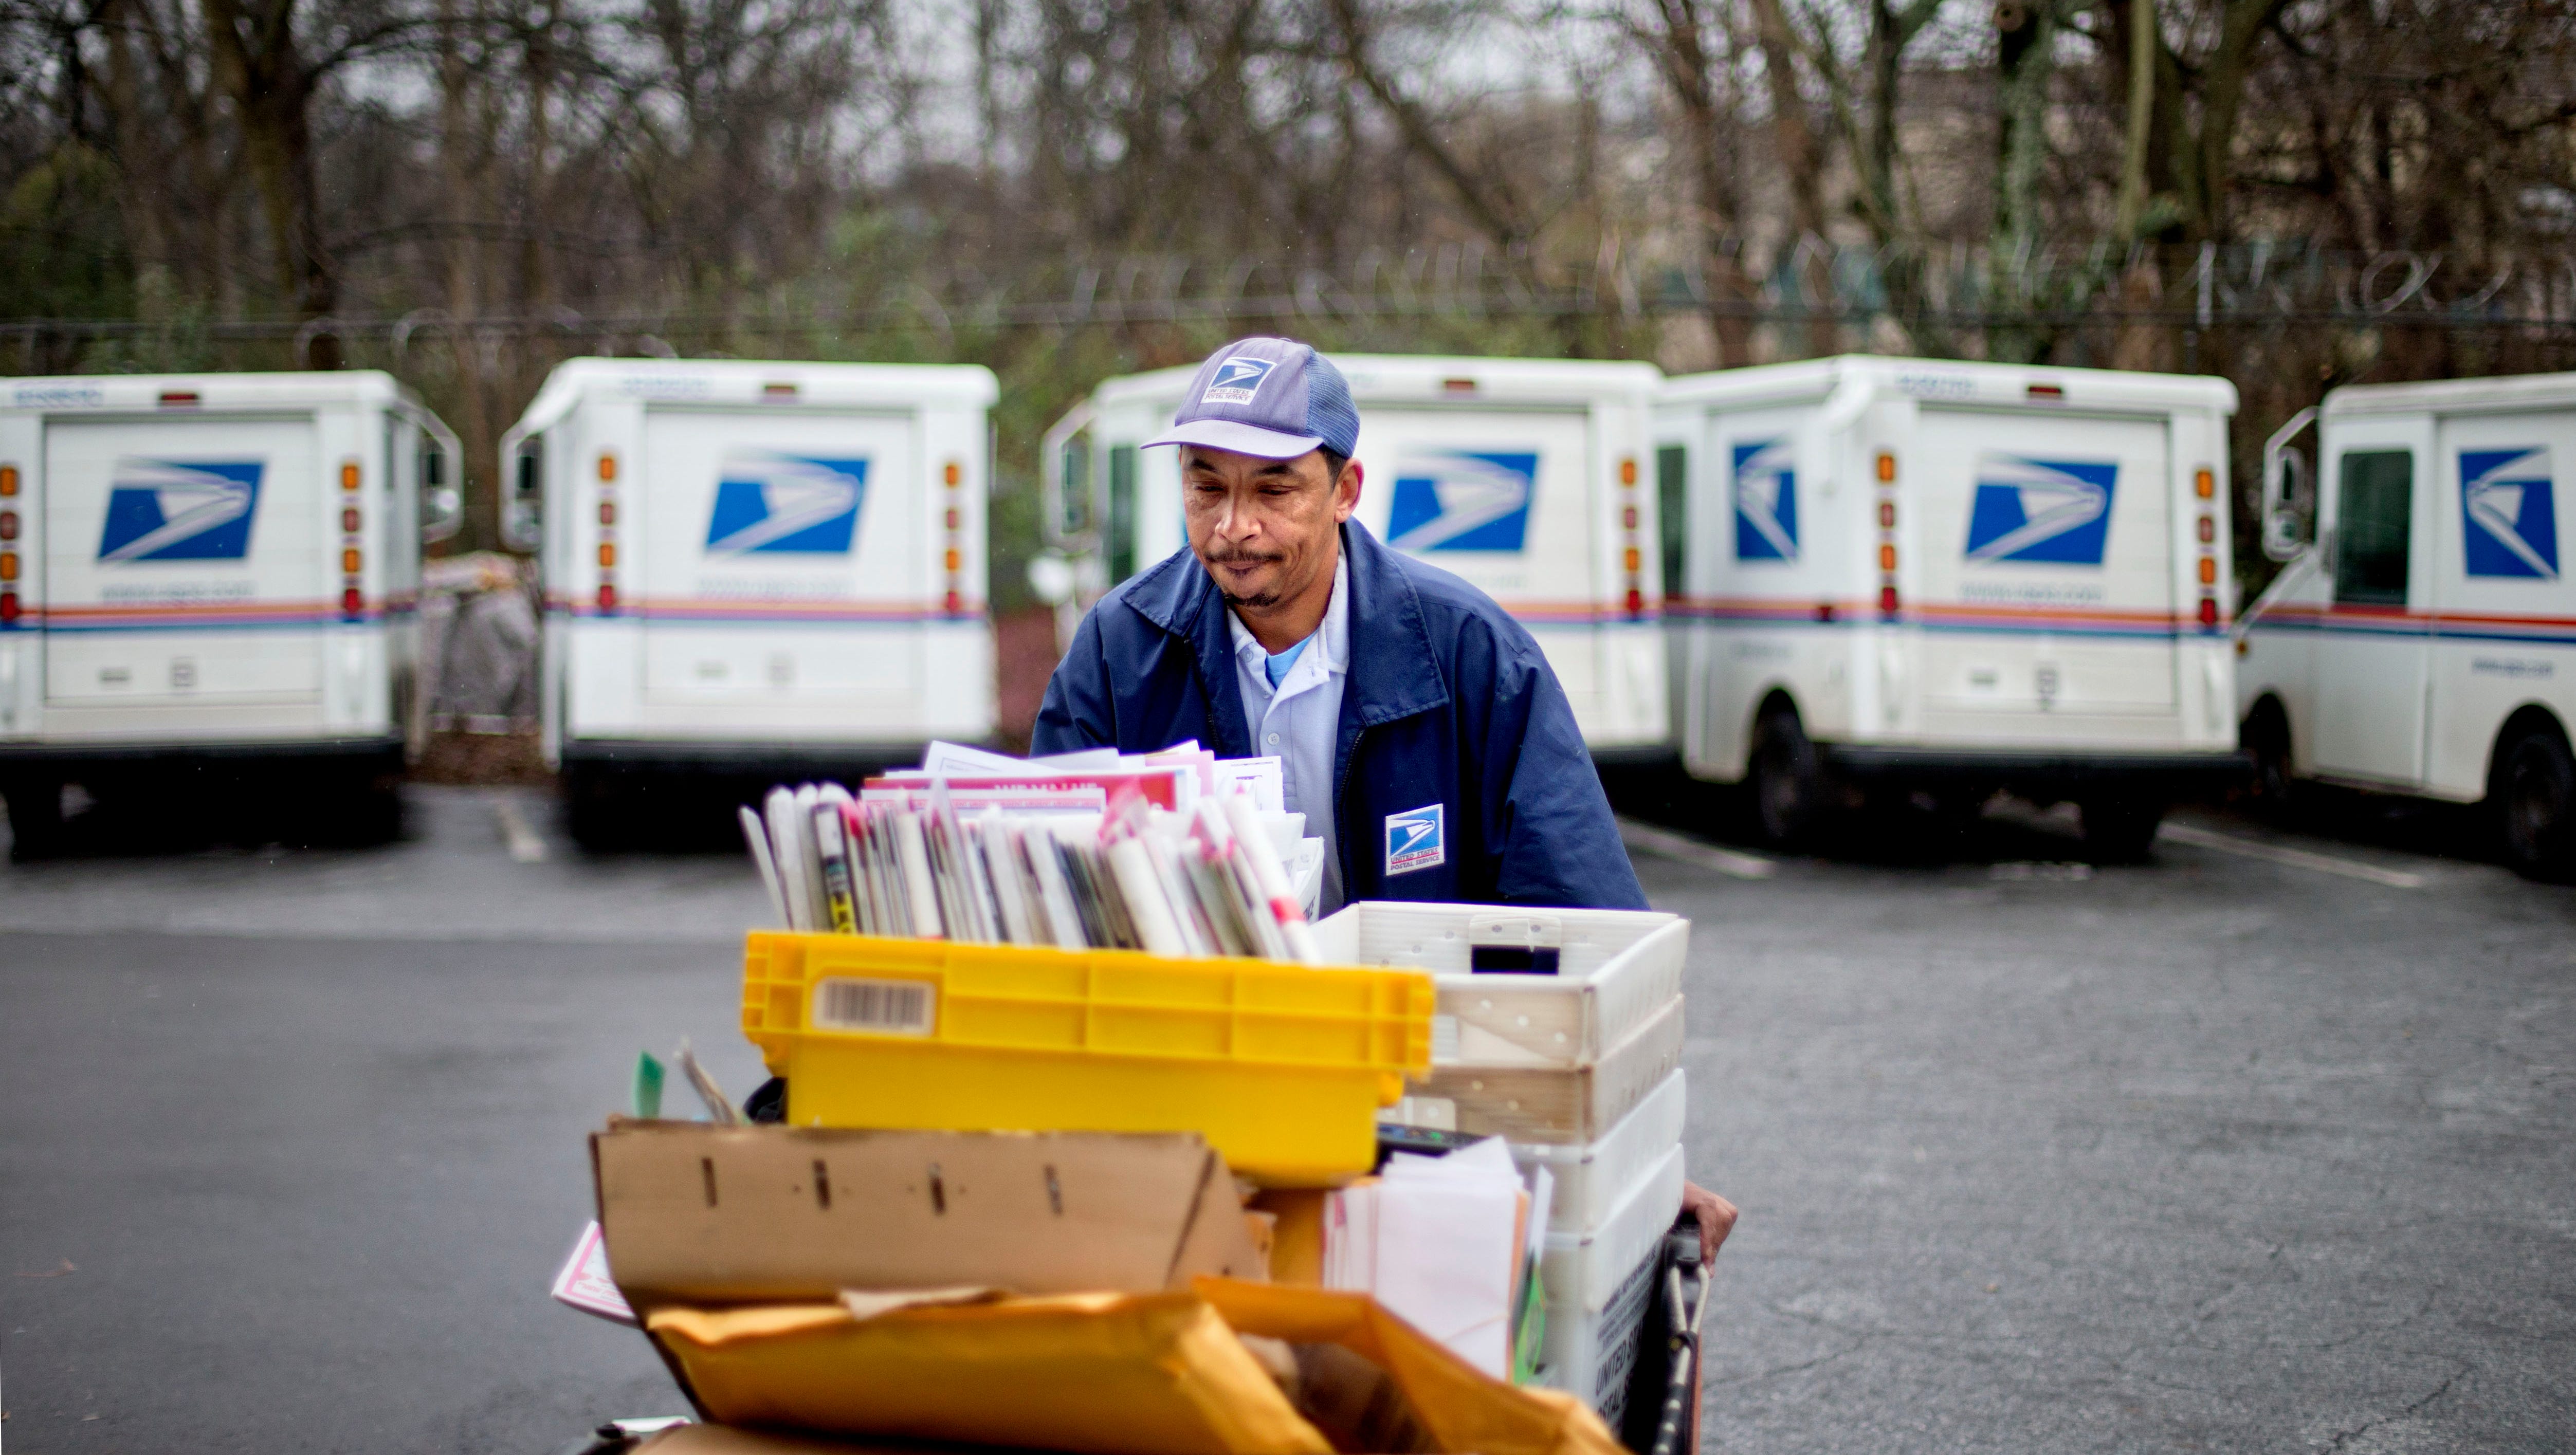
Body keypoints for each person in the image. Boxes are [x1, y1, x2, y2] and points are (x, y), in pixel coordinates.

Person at [1034, 336, 1735, 1261]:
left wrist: (1629, 1150)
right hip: (1194, 1098)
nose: (1233, 527)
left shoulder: (1470, 652)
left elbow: (1578, 915)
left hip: (1421, 1099)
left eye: (1274, 490)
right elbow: (1042, 900)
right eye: (1207, 488)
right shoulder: (1119, 651)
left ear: (1347, 490)